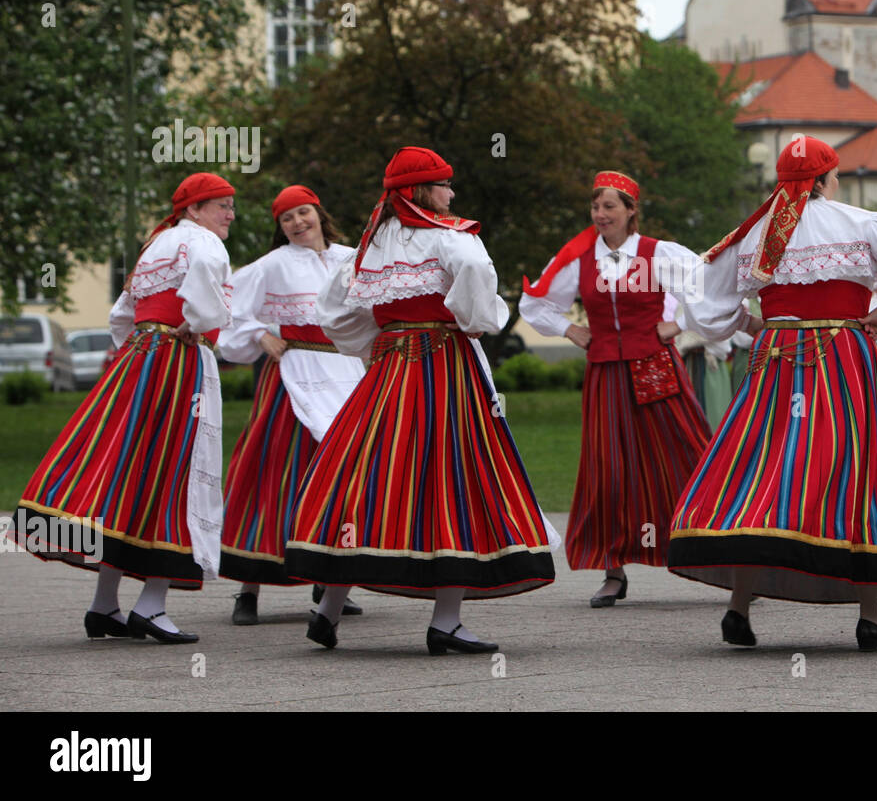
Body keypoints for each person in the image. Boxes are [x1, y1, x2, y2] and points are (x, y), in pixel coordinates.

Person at [668, 136, 877, 651]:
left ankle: (739, 605)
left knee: (765, 466)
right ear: (823, 180)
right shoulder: (859, 224)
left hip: (775, 359)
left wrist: (759, 323)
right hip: (841, 355)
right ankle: (869, 617)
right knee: (856, 470)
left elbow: (702, 303)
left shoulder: (755, 234)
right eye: (834, 175)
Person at [284, 147, 556, 654]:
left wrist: (378, 343)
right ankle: (445, 621)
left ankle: (328, 608)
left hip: (387, 375)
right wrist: (473, 321)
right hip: (443, 369)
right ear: (421, 191)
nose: (452, 194)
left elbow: (336, 315)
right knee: (454, 479)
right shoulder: (452, 239)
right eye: (445, 185)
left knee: (367, 478)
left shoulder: (371, 244)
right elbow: (478, 296)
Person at [14, 172, 234, 644]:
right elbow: (208, 302)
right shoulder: (202, 241)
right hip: (176, 363)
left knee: (127, 471)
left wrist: (141, 341)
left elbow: (121, 313)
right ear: (194, 210)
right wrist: (196, 325)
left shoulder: (155, 244)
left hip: (137, 358)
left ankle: (104, 607)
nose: (230, 214)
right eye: (221, 205)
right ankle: (151, 607)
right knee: (170, 472)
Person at [519, 171, 711, 606]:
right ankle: (612, 568)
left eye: (609, 206)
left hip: (656, 368)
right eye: (595, 206)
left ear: (630, 211)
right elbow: (534, 301)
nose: (600, 214)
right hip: (605, 372)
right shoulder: (579, 258)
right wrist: (570, 329)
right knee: (608, 468)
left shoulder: (658, 253)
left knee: (688, 454)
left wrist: (679, 322)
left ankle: (718, 556)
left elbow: (710, 289)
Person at [217, 185, 367, 625]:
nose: (298, 223)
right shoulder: (272, 265)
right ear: (280, 227)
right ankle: (248, 588)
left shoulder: (351, 258)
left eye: (303, 213)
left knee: (341, 475)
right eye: (287, 219)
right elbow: (228, 306)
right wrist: (260, 334)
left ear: (319, 214)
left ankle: (329, 580)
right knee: (274, 473)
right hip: (292, 377)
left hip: (345, 376)